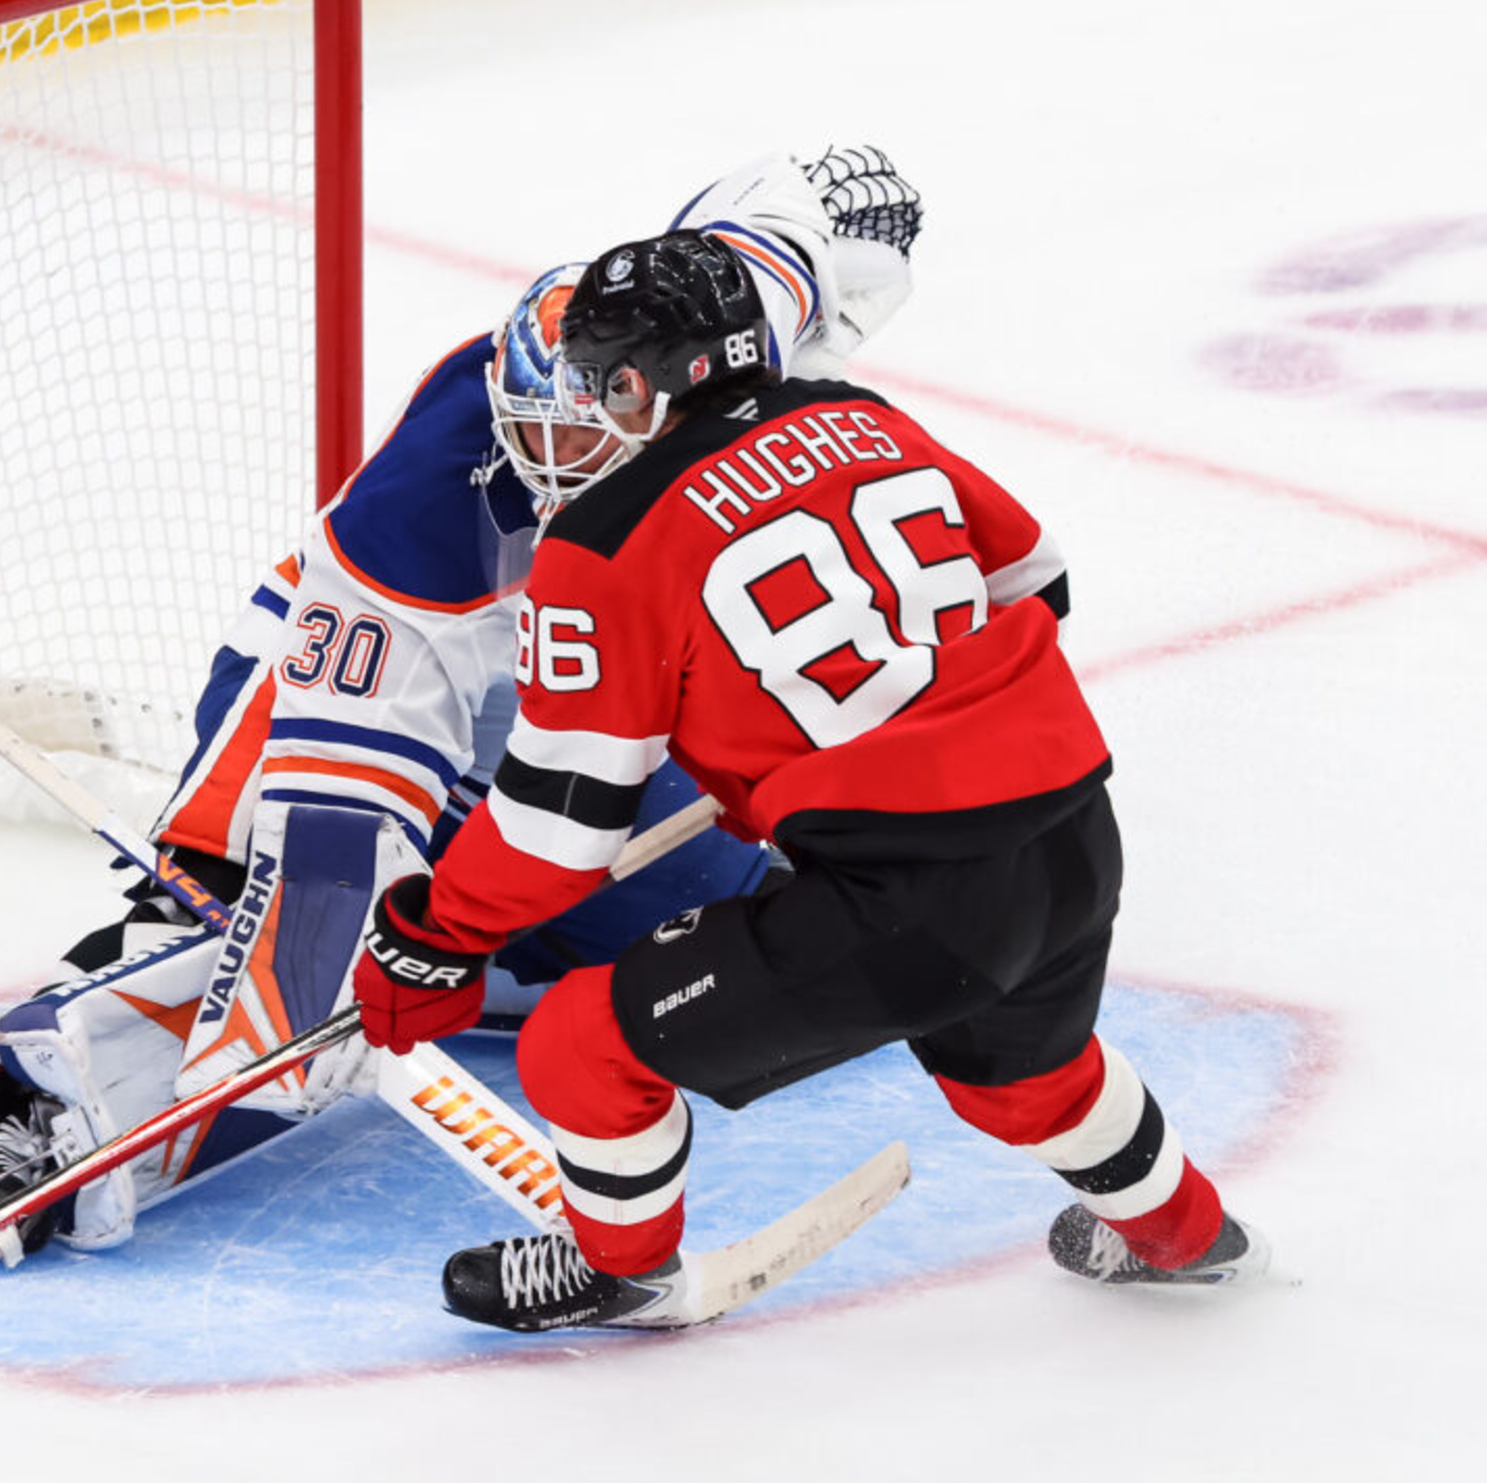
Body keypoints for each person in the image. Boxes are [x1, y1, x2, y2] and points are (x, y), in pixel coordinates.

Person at [0, 150, 925, 1267]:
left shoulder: (736, 324)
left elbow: (763, 225)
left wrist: (833, 214)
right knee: (272, 924)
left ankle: (512, 951)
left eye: (585, 442)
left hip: (570, 707)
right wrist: (296, 995)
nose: (552, 474)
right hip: (340, 695)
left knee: (763, 912)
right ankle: (26, 1100)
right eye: (533, 437)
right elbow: (339, 800)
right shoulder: (435, 503)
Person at [354, 230, 1271, 1332]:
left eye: (599, 382)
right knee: (1025, 1069)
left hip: (907, 898)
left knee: (579, 1040)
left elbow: (558, 827)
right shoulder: (861, 414)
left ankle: (623, 1273)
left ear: (645, 385)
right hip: (1072, 827)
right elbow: (1034, 573)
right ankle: (1188, 1235)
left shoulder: (600, 540)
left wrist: (432, 933)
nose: (588, 408)